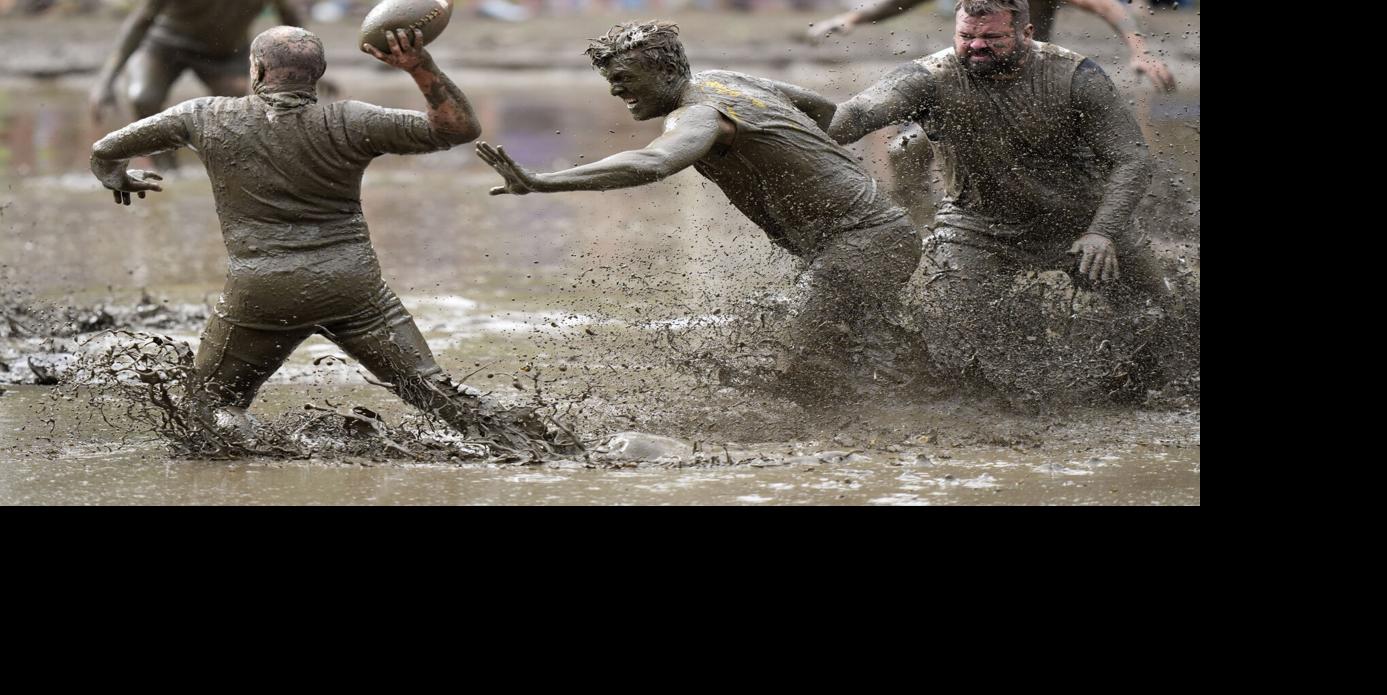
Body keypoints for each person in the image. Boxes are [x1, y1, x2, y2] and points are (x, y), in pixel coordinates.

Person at [89, 26, 547, 445]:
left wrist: (117, 177)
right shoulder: (352, 120)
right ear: (320, 75)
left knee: (208, 410)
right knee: (436, 393)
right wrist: (419, 66)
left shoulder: (203, 115)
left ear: (257, 70)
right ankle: (540, 445)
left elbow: (105, 149)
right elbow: (458, 129)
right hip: (354, 287)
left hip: (263, 289)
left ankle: (249, 470)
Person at [474, 21, 922, 400]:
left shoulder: (698, 114)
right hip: (875, 235)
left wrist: (540, 182)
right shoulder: (730, 79)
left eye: (625, 77)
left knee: (796, 362)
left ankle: (858, 432)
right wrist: (807, 154)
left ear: (666, 69)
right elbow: (822, 108)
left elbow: (654, 161)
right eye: (610, 79)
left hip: (863, 241)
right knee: (852, 344)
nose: (615, 90)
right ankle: (933, 399)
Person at [829, 0, 1181, 399]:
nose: (977, 46)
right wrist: (775, 117)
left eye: (992, 38)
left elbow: (1132, 158)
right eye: (966, 37)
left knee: (1165, 325)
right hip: (976, 225)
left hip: (1083, 221)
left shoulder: (1074, 76)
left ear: (1026, 34)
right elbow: (856, 114)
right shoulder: (930, 75)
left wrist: (1104, 231)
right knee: (951, 337)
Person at [809, 0, 1175, 92]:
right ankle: (916, 231)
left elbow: (1108, 6)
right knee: (905, 151)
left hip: (1033, 75)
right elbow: (898, 2)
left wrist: (1139, 52)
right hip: (971, 73)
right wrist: (850, 20)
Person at [90, 1, 307, 122]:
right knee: (143, 97)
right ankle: (167, 173)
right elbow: (140, 22)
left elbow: (290, 19)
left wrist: (305, 68)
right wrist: (105, 81)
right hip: (164, 44)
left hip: (224, 54)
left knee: (236, 114)